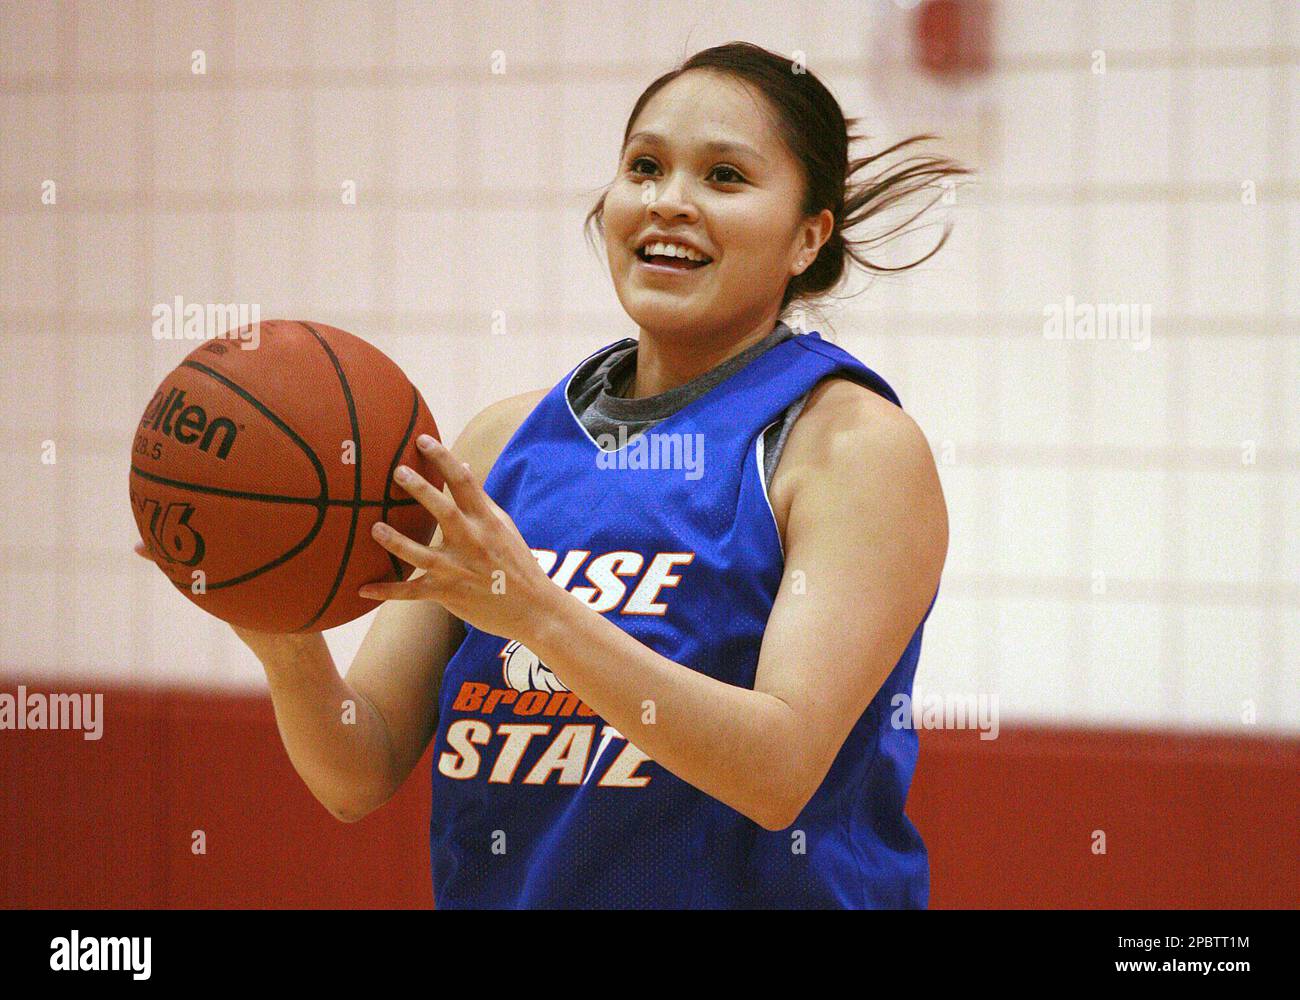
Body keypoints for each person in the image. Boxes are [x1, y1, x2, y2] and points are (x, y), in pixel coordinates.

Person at [154, 41, 962, 909]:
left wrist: (533, 611)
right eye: (644, 167)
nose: (669, 203)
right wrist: (273, 616)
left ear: (809, 236)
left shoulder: (847, 447)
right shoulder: (503, 443)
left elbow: (778, 771)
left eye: (725, 177)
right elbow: (359, 767)